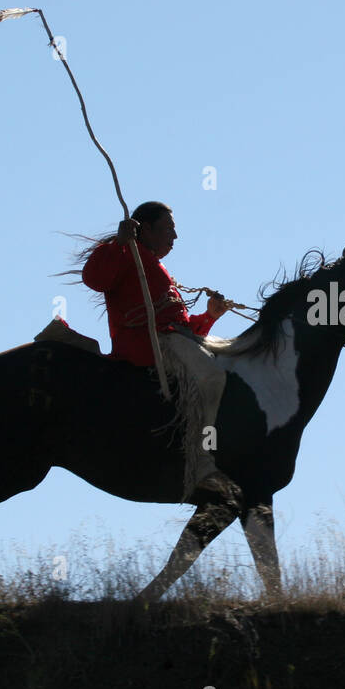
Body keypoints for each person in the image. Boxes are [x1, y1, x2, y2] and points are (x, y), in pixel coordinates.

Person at [82, 201, 236, 497]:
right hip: (149, 345)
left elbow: (181, 328)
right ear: (145, 229)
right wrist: (119, 241)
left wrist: (210, 316)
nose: (175, 237)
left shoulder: (154, 265)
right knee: (213, 378)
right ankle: (203, 461)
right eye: (168, 229)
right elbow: (94, 279)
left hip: (170, 340)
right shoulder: (127, 253)